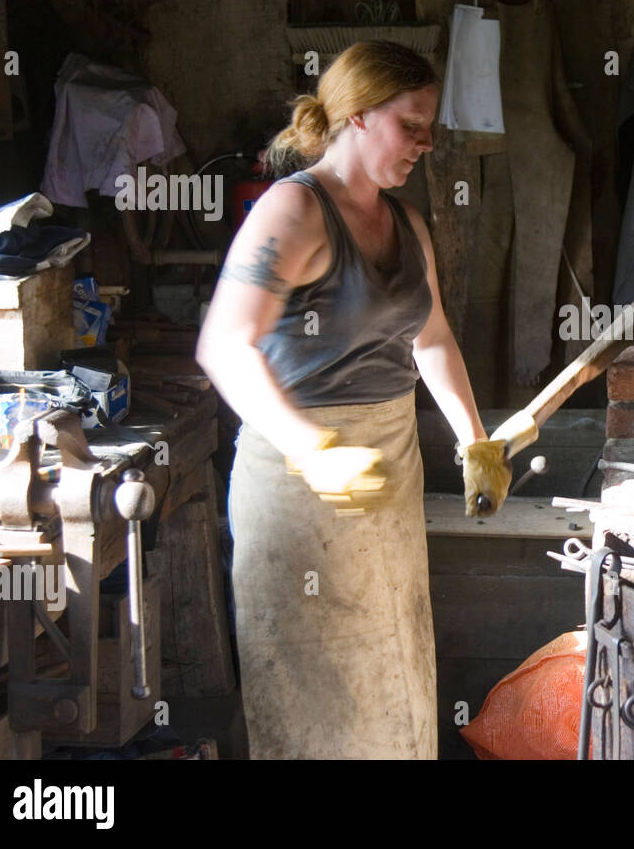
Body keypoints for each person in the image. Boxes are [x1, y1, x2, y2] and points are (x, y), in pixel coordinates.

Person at [195, 41, 512, 759]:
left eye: (431, 129)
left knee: (393, 682)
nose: (426, 147)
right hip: (297, 484)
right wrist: (312, 451)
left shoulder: (407, 225)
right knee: (318, 700)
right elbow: (222, 346)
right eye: (413, 126)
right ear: (360, 116)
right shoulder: (294, 210)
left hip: (387, 476)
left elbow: (429, 339)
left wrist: (474, 440)